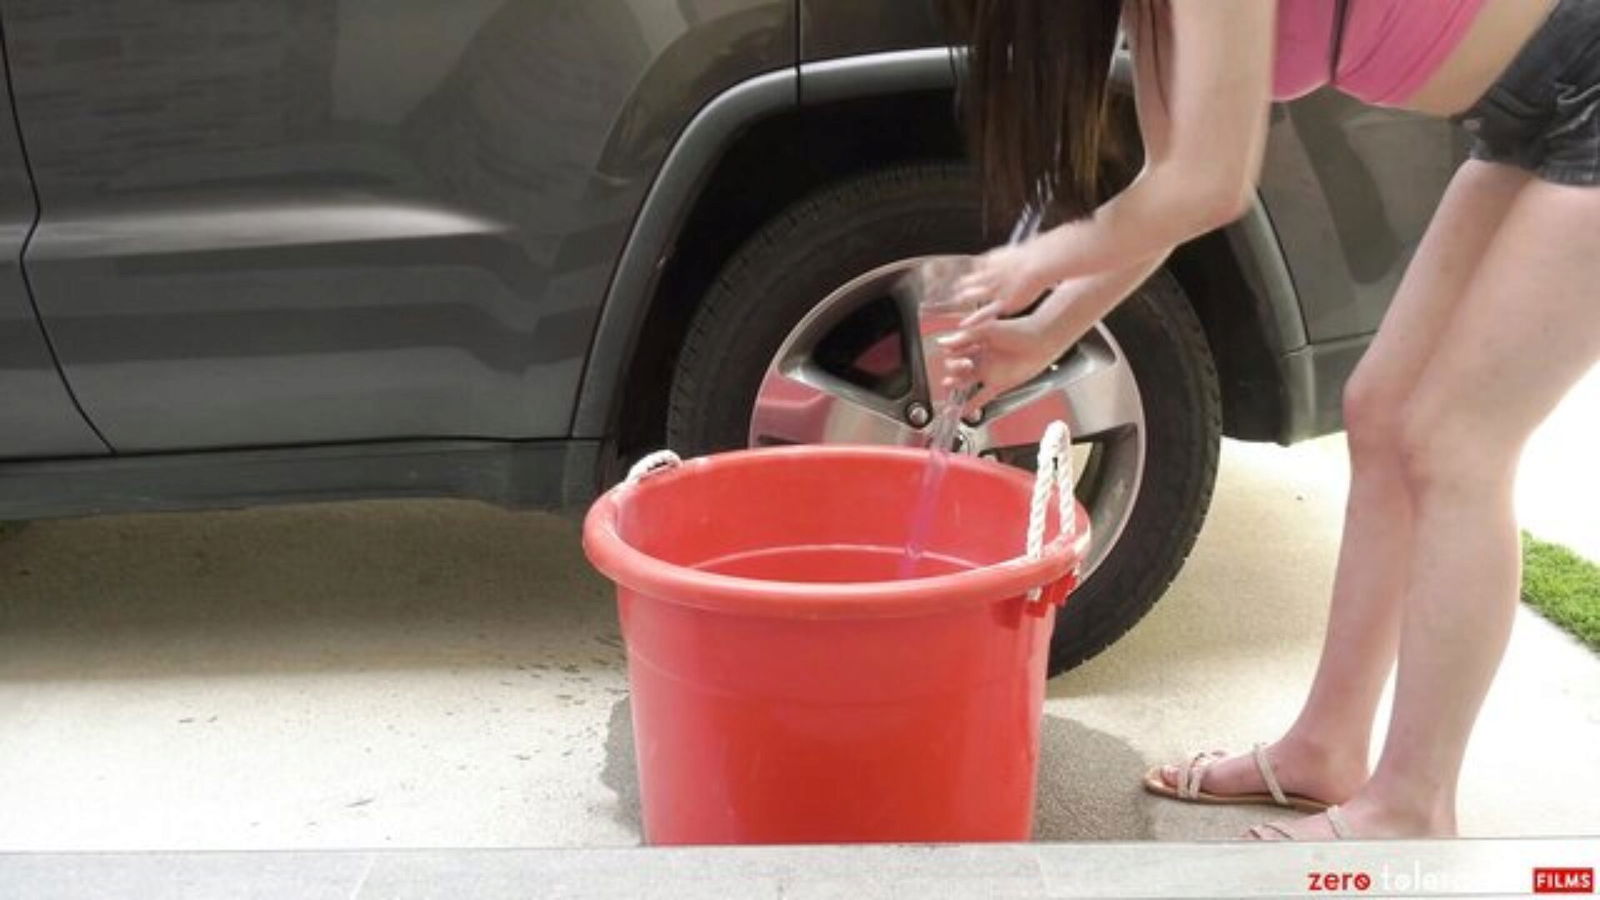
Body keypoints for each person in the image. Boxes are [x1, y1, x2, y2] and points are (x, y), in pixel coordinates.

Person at [939, 0, 1600, 840]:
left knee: (1454, 445)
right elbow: (1170, 189)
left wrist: (1032, 261)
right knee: (1383, 411)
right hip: (1523, 113)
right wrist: (1042, 332)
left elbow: (1211, 185)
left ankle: (1412, 807)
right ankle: (1327, 749)